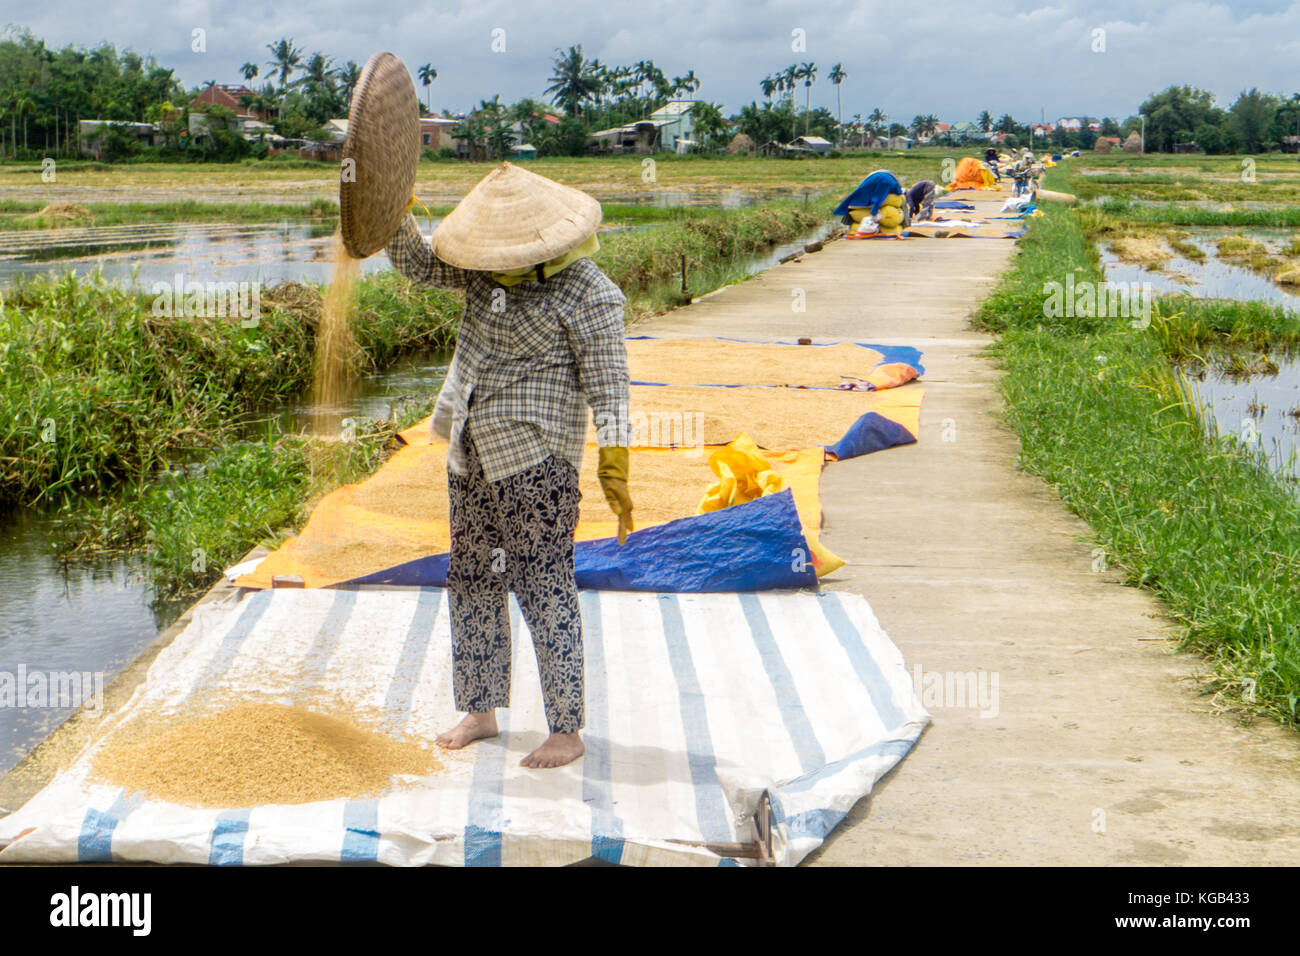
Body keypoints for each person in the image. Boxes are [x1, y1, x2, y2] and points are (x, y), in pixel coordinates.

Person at [385, 162, 633, 770]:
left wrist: (615, 470)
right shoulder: (482, 272)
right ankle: (480, 709)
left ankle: (566, 729)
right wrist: (386, 202)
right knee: (471, 578)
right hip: (470, 450)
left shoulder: (589, 293)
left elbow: (610, 389)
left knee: (544, 583)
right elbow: (419, 265)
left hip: (537, 458)